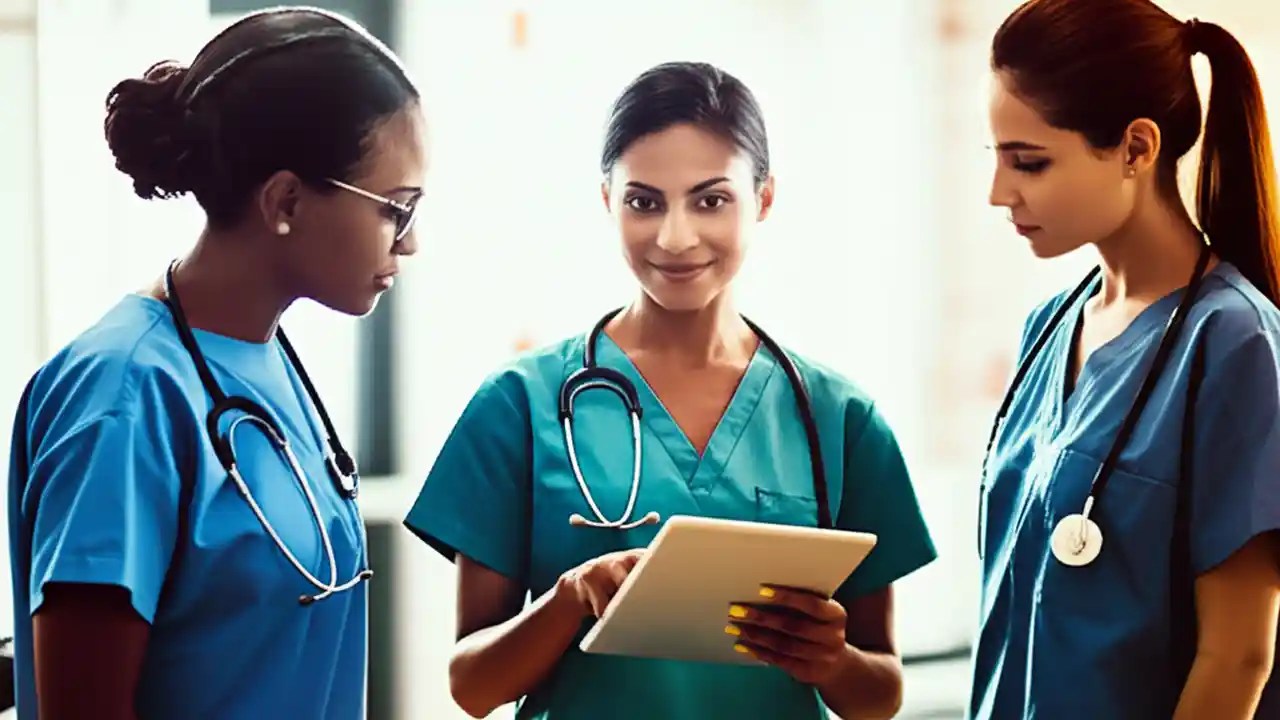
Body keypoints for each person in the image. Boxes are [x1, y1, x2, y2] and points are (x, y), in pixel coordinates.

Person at [403, 61, 936, 720]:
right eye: (644, 201)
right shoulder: (521, 403)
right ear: (607, 201)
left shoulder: (839, 418)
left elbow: (880, 695)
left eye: (710, 200)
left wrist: (831, 660)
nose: (675, 237)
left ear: (764, 199)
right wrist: (572, 596)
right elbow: (473, 686)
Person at [6, 7, 425, 719]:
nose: (408, 244)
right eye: (396, 208)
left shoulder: (266, 359)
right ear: (285, 199)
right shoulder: (124, 395)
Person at [974, 1, 1280, 718]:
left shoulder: (1235, 344)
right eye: (996, 159)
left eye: (1030, 162)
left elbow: (1238, 657)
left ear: (1137, 149)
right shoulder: (1048, 329)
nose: (998, 193)